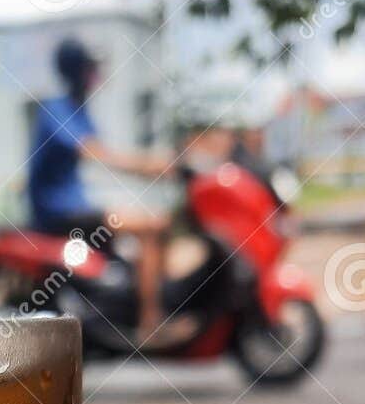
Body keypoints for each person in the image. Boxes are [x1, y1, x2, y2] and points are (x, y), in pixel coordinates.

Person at [27, 39, 230, 345]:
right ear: (77, 72)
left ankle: (140, 302)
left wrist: (157, 167)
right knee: (154, 226)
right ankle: (151, 322)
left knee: (148, 231)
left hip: (75, 205)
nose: (95, 75)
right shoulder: (57, 109)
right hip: (58, 212)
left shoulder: (76, 108)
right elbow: (97, 154)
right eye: (90, 68)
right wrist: (151, 166)